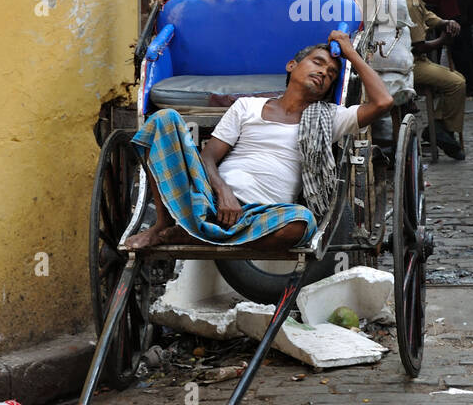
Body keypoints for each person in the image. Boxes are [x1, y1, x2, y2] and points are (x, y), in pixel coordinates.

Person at [126, 34, 393, 252]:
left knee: (301, 223)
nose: (323, 72)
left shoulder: (330, 118)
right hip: (210, 200)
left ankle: (189, 236)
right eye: (317, 62)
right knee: (164, 119)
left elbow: (383, 102)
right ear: (292, 66)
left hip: (260, 216)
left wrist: (350, 52)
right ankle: (162, 225)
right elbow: (208, 158)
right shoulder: (247, 107)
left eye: (331, 74)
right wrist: (223, 192)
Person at [402, 0, 466, 161]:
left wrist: (448, 23)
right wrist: (442, 41)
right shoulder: (411, 3)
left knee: (457, 79)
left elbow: (432, 18)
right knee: (457, 83)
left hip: (419, 62)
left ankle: (438, 125)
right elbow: (418, 46)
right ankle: (440, 128)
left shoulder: (416, 0)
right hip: (413, 64)